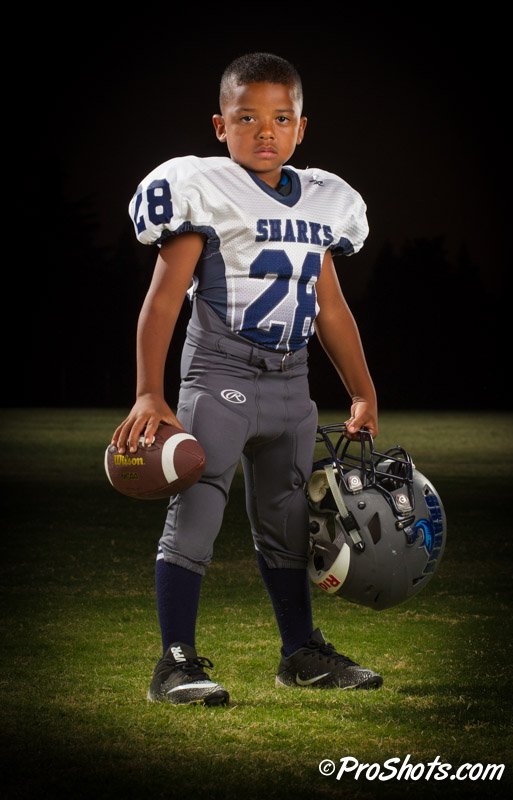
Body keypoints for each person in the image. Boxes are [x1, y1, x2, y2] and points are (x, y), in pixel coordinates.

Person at [112, 52, 382, 706]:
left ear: (300, 127)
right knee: (198, 512)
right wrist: (151, 390)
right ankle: (174, 663)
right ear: (218, 125)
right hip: (220, 372)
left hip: (290, 384)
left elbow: (331, 308)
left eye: (280, 117)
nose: (265, 130)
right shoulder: (202, 190)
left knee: (288, 523)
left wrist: (362, 388)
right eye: (247, 117)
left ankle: (300, 655)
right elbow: (163, 299)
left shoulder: (321, 200)